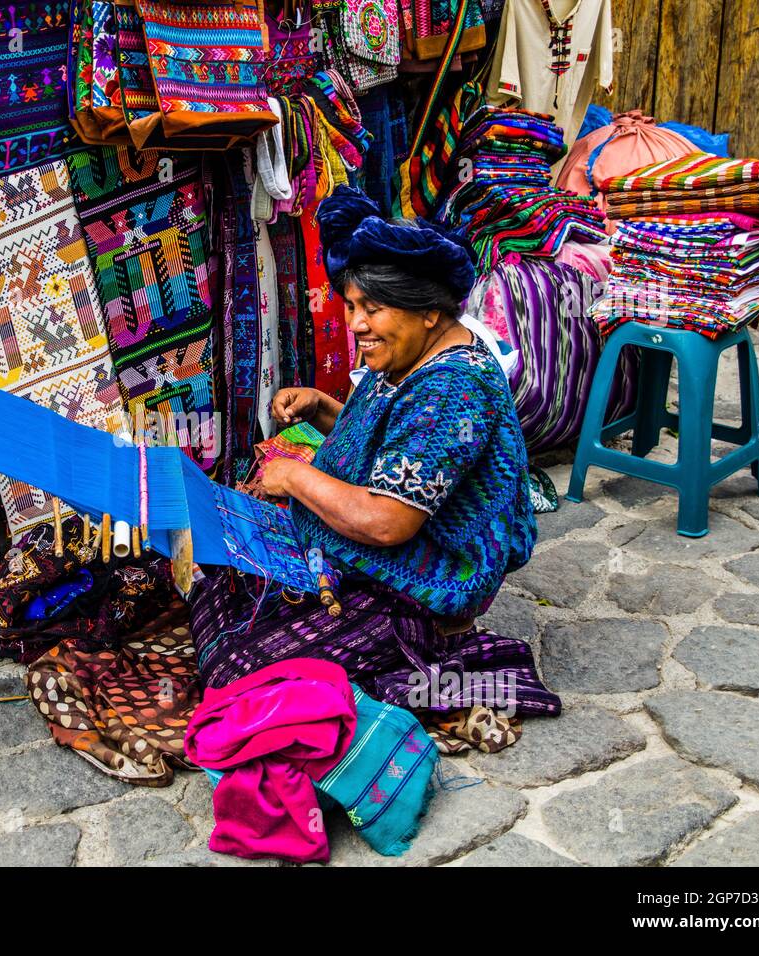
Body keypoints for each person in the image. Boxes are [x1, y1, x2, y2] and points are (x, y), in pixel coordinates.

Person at [191, 187, 560, 719]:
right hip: (377, 557)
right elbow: (398, 451)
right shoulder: (415, 360)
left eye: (374, 308)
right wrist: (323, 409)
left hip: (420, 583)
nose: (357, 324)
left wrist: (293, 479)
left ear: (428, 312)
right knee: (213, 574)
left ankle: (435, 657)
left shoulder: (451, 389)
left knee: (235, 672)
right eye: (352, 307)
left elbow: (388, 520)